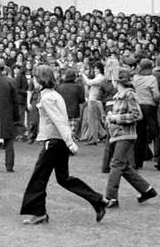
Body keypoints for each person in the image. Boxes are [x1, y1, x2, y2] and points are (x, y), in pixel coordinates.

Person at [20, 64, 106, 225]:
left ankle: (39, 213)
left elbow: (59, 121)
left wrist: (70, 142)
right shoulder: (54, 95)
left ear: (41, 79)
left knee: (38, 178)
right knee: (64, 178)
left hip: (53, 143)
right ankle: (98, 200)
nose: (33, 81)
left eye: (34, 77)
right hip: (58, 142)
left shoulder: (47, 98)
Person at [101, 68, 157, 208]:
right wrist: (111, 118)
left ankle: (111, 198)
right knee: (122, 166)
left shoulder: (129, 95)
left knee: (115, 164)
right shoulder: (120, 95)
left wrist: (115, 118)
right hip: (118, 135)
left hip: (125, 135)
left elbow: (137, 115)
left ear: (117, 81)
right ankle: (147, 190)